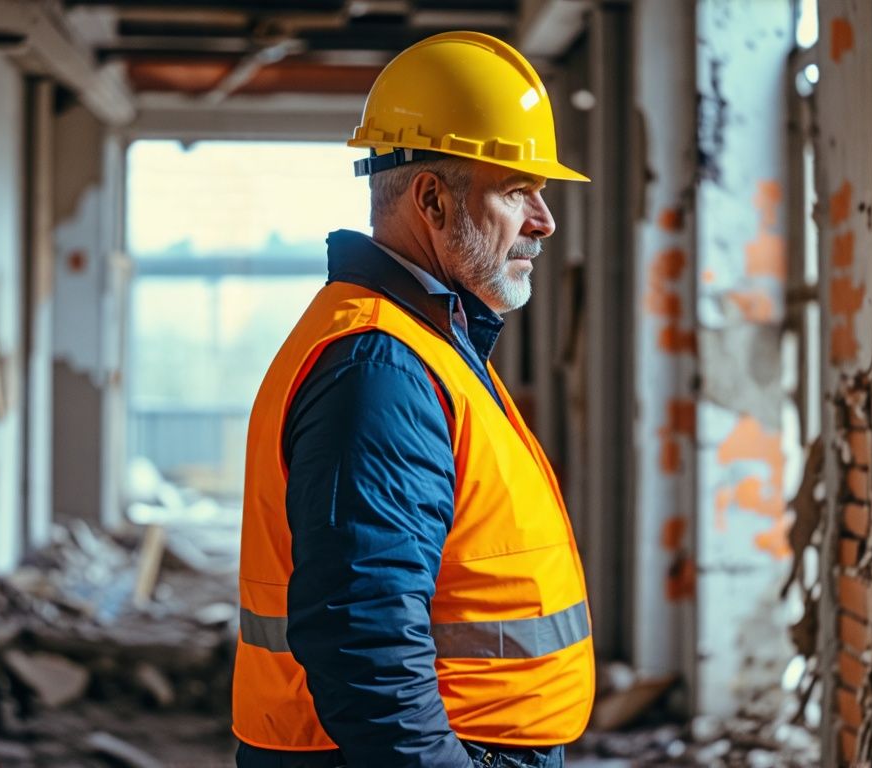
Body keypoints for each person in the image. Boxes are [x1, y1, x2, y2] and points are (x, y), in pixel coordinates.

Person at [232, 31, 594, 768]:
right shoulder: (379, 364)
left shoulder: (427, 343)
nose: (543, 221)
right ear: (431, 198)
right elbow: (365, 639)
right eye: (515, 190)